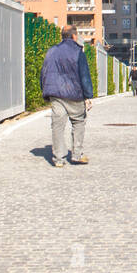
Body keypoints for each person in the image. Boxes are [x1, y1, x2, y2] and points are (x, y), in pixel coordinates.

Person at [40, 27, 94, 168]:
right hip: (73, 94)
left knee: (57, 125)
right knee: (78, 122)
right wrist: (88, 95)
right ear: (74, 36)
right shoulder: (78, 52)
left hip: (56, 94)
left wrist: (45, 91)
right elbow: (84, 75)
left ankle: (59, 159)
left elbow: (44, 72)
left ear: (62, 37)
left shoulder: (51, 51)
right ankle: (77, 155)